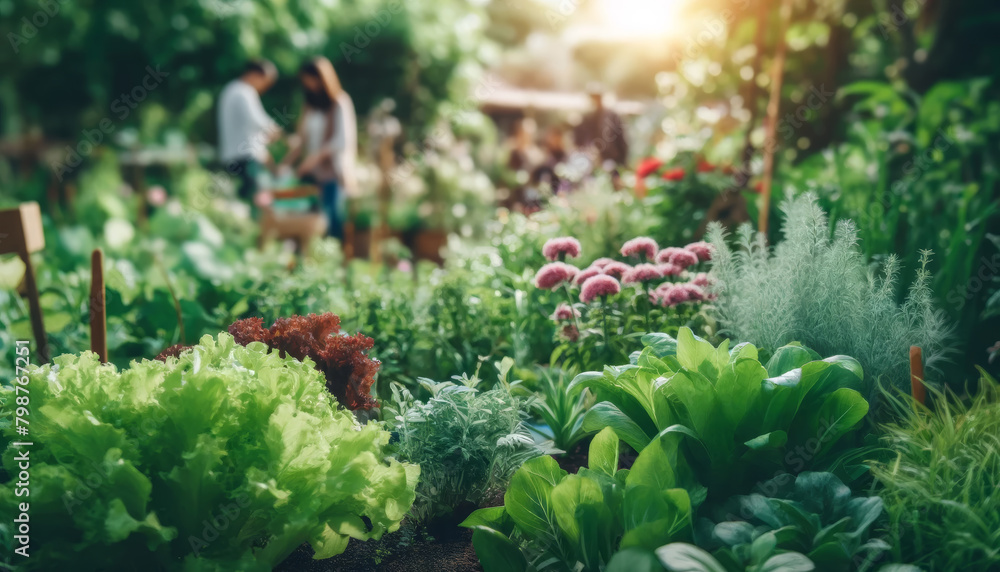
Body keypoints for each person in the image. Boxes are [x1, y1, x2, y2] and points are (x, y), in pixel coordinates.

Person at [281, 56, 357, 240]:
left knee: (331, 218)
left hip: (332, 172)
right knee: (309, 219)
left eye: (311, 79)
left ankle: (334, 254)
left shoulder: (339, 102)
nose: (308, 84)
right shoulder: (309, 106)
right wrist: (284, 164)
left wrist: (315, 157)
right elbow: (301, 139)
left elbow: (342, 140)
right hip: (311, 174)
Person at [217, 60, 280, 201]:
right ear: (255, 75)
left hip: (231, 155)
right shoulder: (244, 91)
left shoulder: (230, 89)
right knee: (252, 197)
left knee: (239, 198)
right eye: (265, 82)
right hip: (245, 156)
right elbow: (258, 121)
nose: (264, 87)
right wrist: (277, 131)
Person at [574, 84, 629, 168]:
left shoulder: (612, 116)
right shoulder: (585, 119)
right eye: (593, 97)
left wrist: (622, 162)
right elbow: (579, 140)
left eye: (597, 97)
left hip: (610, 160)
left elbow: (621, 141)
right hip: (589, 161)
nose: (595, 100)